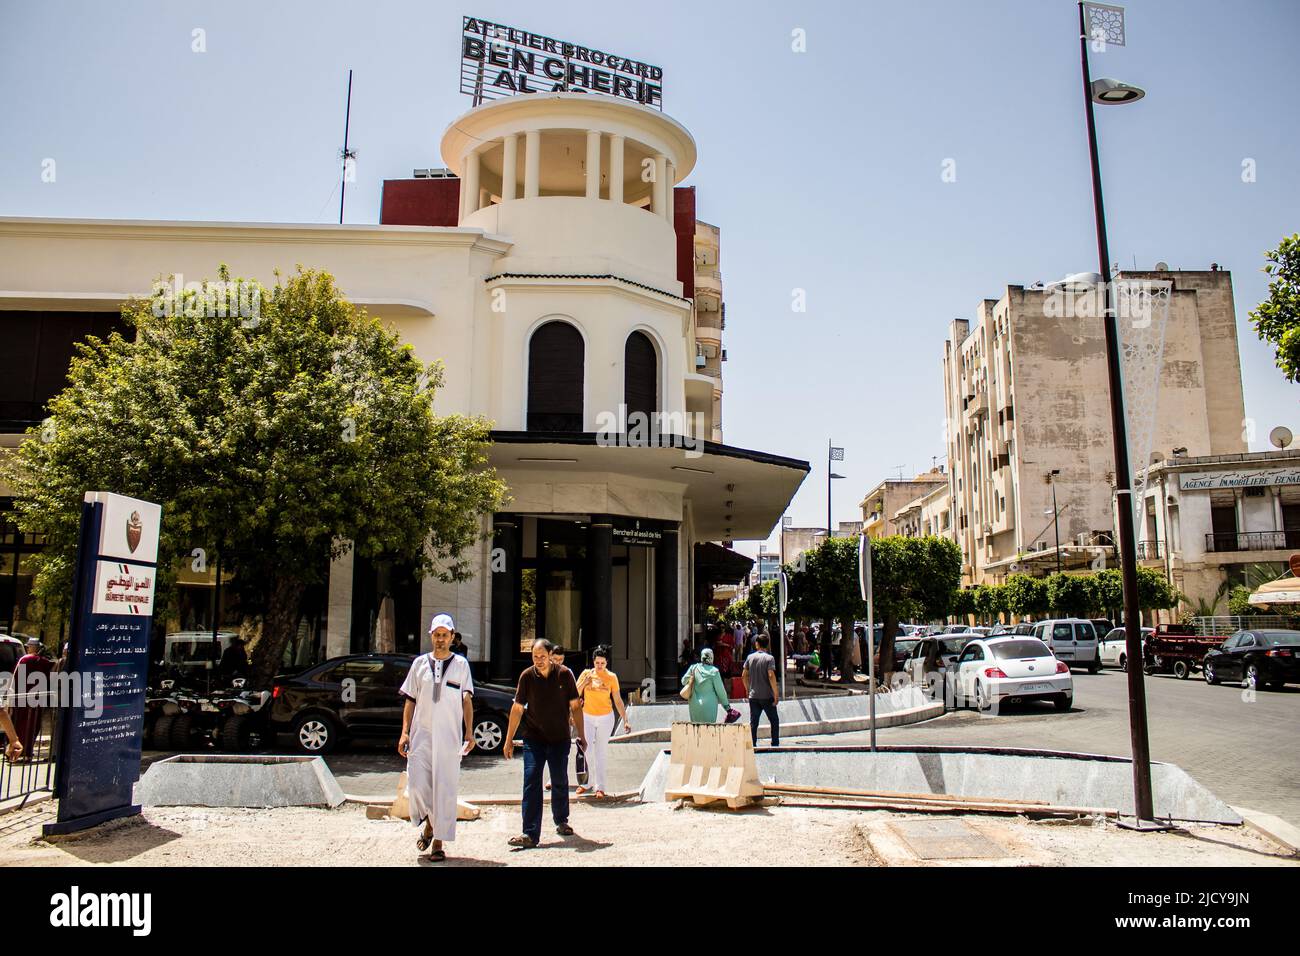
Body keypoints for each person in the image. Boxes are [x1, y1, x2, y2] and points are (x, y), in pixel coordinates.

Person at [397, 613, 474, 862]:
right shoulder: (419, 664)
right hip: (422, 736)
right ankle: (429, 821)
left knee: (445, 789)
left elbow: (466, 699)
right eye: (436, 635)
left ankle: (438, 841)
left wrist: (470, 732)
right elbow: (410, 699)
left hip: (450, 737)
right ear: (431, 636)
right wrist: (405, 732)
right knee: (418, 785)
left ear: (452, 637)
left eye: (445, 635)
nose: (440, 639)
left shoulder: (461, 665)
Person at [504, 639, 585, 849]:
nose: (539, 660)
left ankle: (561, 820)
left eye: (542, 656)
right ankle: (529, 833)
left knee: (559, 779)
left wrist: (581, 734)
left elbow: (575, 706)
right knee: (531, 780)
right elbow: (517, 708)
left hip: (559, 738)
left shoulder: (565, 675)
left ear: (550, 655)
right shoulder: (527, 677)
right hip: (534, 738)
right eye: (535, 657)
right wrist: (508, 739)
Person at [575, 646, 631, 799]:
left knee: (601, 751)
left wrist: (625, 719)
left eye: (602, 663)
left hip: (606, 717)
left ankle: (600, 786)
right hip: (587, 716)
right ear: (593, 662)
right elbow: (574, 693)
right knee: (587, 750)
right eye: (597, 663)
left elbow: (618, 700)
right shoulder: (586, 674)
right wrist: (584, 683)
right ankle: (586, 783)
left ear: (607, 663)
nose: (599, 666)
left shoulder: (612, 677)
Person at [11, 637, 51, 759]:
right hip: (38, 700)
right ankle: (27, 752)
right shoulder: (45, 662)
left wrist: (11, 695)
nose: (27, 649)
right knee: (33, 725)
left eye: (28, 647)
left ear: (32, 647)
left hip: (22, 698)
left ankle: (16, 752)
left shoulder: (25, 659)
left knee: (19, 724)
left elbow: (14, 679)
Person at [743, 633, 780, 746]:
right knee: (774, 721)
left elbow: (744, 675)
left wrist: (747, 689)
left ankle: (753, 744)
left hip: (753, 695)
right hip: (767, 696)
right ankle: (774, 743)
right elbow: (771, 675)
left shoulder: (750, 657)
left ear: (757, 644)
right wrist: (776, 693)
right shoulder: (769, 658)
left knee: (754, 722)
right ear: (767, 645)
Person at [679, 647, 730, 723]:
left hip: (694, 705)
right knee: (709, 730)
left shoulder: (693, 668)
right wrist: (727, 707)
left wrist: (691, 678)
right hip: (710, 706)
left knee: (696, 730)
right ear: (711, 657)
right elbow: (721, 691)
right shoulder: (714, 671)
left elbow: (683, 681)